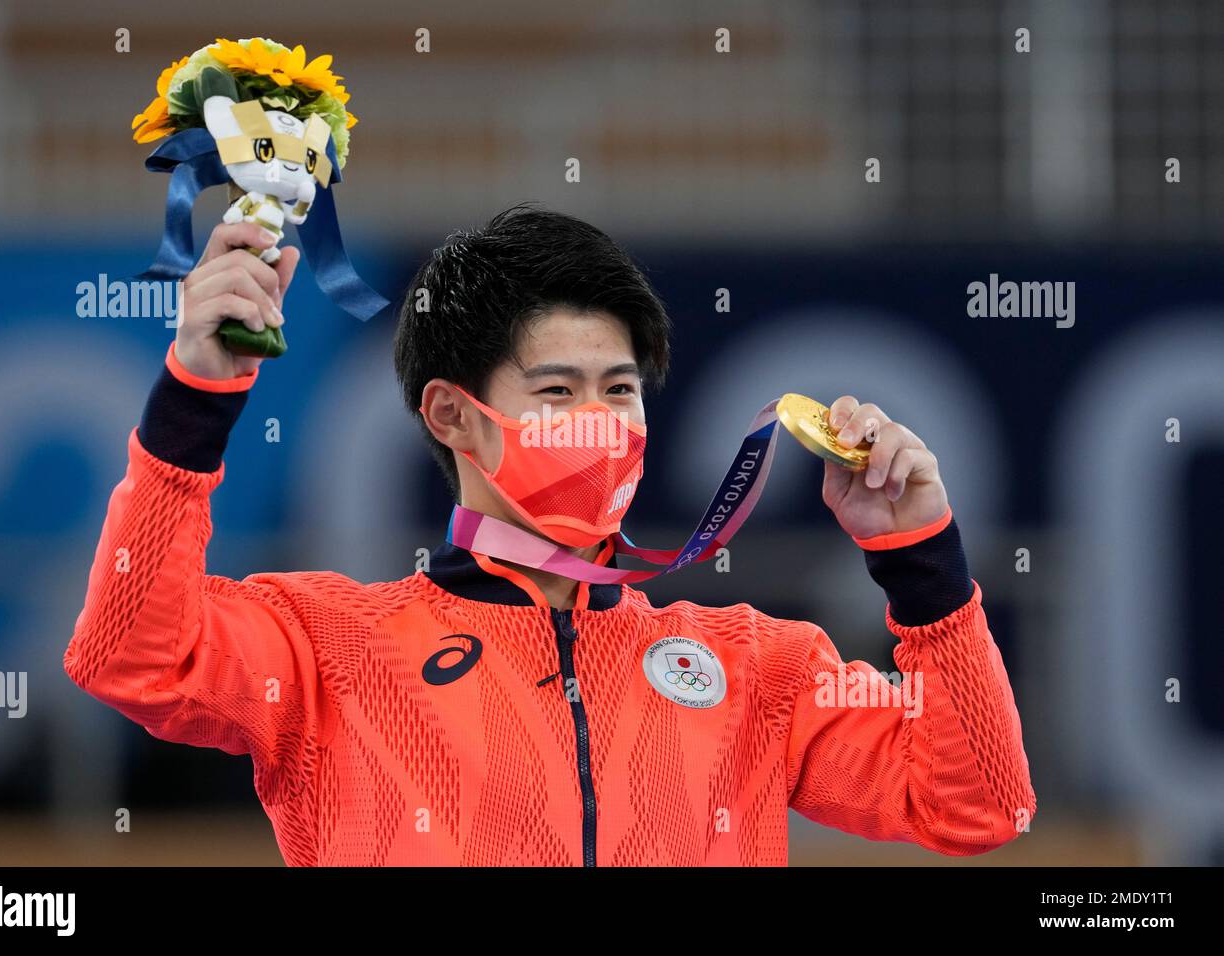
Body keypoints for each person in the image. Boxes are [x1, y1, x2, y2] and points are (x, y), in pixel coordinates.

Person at [64, 204, 1035, 865]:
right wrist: (194, 399)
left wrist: (923, 566)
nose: (601, 419)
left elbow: (980, 801)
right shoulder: (328, 646)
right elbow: (129, 654)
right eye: (557, 390)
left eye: (620, 390)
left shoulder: (753, 666)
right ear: (452, 416)